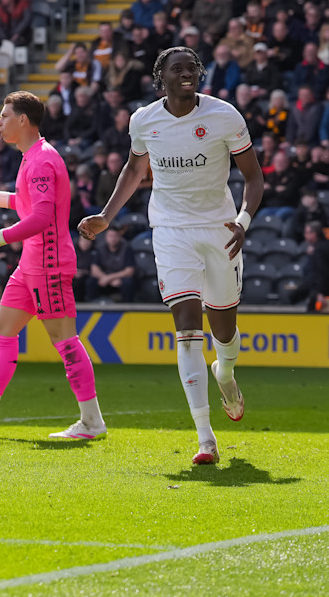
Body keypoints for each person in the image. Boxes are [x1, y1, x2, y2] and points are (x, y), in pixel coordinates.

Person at [78, 46, 265, 465]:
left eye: (192, 68)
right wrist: (108, 216)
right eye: (177, 69)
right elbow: (132, 169)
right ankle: (205, 438)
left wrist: (244, 220)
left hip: (220, 230)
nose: (186, 74)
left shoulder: (225, 115)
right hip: (170, 231)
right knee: (186, 327)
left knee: (223, 329)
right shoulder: (144, 120)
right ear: (160, 77)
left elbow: (253, 176)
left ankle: (227, 373)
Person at [0, 91, 107, 441]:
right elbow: (29, 201)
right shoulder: (32, 157)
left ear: (23, 120)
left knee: (64, 341)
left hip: (48, 264)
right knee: (3, 330)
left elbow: (43, 217)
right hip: (30, 264)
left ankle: (92, 422)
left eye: (4, 116)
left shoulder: (42, 160)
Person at [86, 226, 136, 302]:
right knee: (90, 281)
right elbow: (94, 269)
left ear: (119, 237)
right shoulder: (100, 249)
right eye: (110, 236)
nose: (113, 239)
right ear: (106, 237)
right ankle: (92, 306)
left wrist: (109, 278)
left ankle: (126, 308)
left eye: (115, 236)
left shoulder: (126, 249)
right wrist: (104, 277)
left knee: (128, 282)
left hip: (119, 278)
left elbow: (129, 271)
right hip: (104, 277)